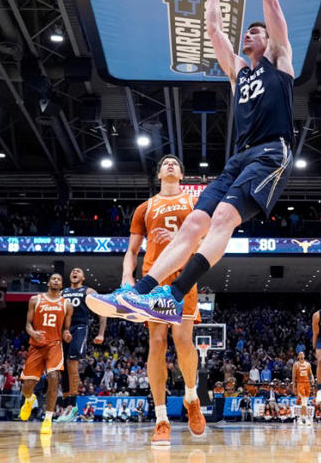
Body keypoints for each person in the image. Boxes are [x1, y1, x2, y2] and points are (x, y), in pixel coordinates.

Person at [107, 0, 295, 326]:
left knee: (225, 216)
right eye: (248, 33)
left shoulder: (279, 60)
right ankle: (141, 293)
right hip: (240, 156)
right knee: (195, 222)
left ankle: (174, 296)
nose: (249, 36)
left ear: (269, 40)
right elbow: (213, 32)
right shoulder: (238, 73)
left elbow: (271, 2)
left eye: (255, 33)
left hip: (271, 152)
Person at [88, 155, 205, 447]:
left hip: (183, 277)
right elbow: (131, 250)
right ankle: (161, 418)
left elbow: (206, 240)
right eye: (165, 163)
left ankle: (192, 396)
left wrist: (179, 236)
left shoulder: (194, 203)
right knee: (156, 343)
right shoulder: (145, 207)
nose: (170, 165)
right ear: (158, 175)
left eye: (175, 163)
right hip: (153, 278)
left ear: (181, 174)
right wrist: (127, 276)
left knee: (183, 341)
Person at [18, 273, 72, 435]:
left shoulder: (67, 305)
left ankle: (48, 419)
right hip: (36, 346)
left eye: (59, 279)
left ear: (62, 285)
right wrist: (33, 333)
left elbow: (66, 329)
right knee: (27, 387)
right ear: (48, 283)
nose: (56, 281)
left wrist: (67, 335)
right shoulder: (35, 300)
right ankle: (29, 399)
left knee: (54, 378)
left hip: (54, 345)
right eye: (54, 278)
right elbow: (28, 324)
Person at [60, 267, 106, 421]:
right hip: (63, 329)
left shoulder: (89, 291)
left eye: (78, 271)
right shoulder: (63, 292)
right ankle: (66, 405)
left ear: (83, 277)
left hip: (79, 327)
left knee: (72, 362)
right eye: (73, 271)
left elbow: (102, 311)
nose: (74, 272)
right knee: (63, 367)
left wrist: (101, 333)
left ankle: (72, 405)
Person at [292, 351, 314, 424]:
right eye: (300, 354)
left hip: (307, 384)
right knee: (304, 401)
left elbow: (311, 374)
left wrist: (312, 379)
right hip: (300, 383)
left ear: (304, 355)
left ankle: (300, 418)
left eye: (302, 354)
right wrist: (293, 387)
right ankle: (306, 418)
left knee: (304, 402)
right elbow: (293, 377)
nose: (301, 355)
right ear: (298, 356)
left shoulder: (308, 364)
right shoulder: (296, 364)